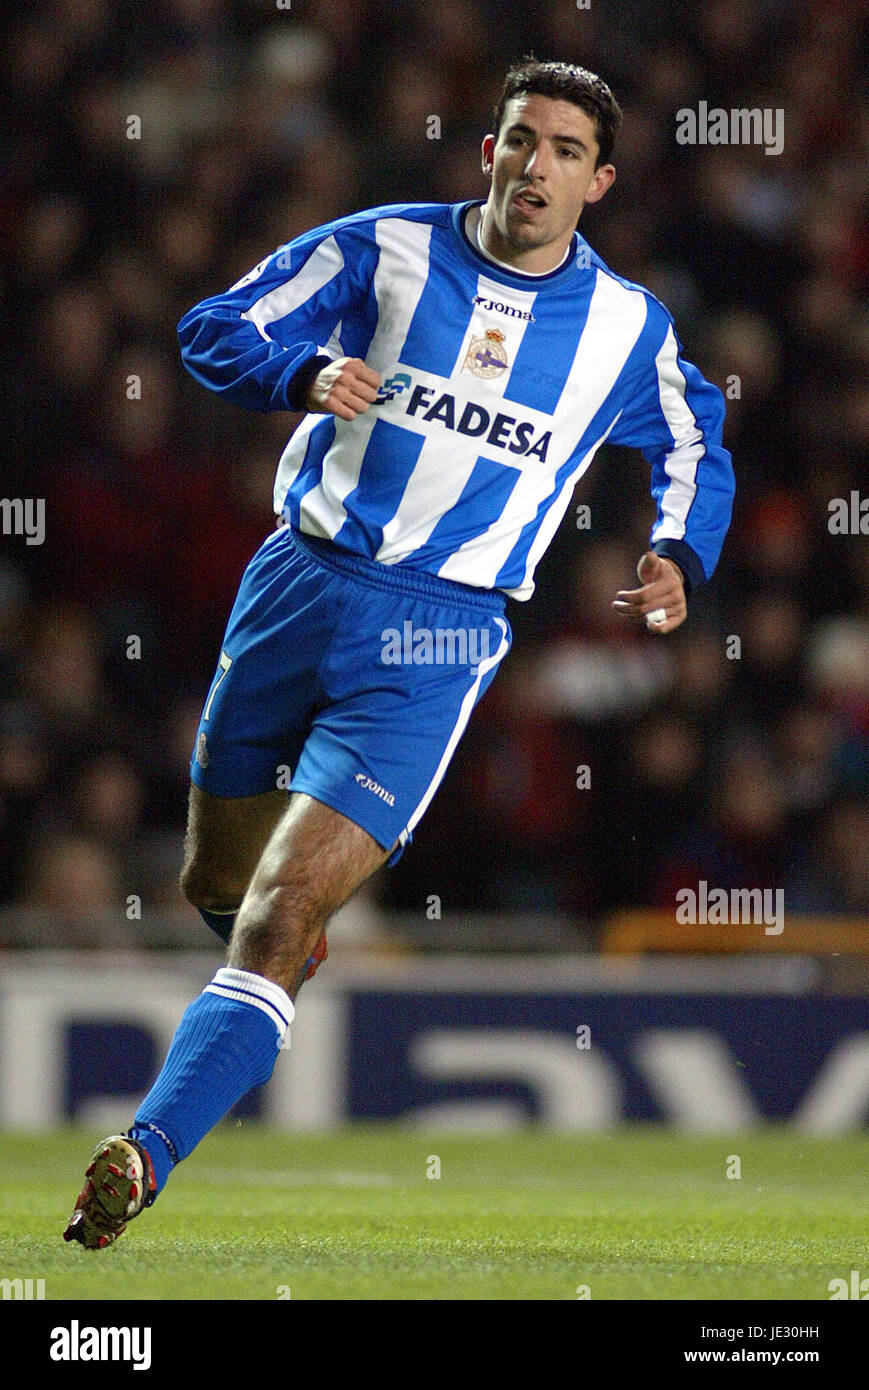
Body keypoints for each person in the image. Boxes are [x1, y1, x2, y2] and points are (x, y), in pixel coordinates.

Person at [63, 58, 734, 1248]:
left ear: (600, 181)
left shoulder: (626, 328)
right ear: (487, 150)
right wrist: (302, 372)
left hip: (437, 637)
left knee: (275, 910)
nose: (536, 166)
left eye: (565, 151)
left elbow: (692, 431)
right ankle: (276, 956)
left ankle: (143, 1150)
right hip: (295, 587)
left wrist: (681, 550)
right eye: (520, 139)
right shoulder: (381, 248)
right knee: (219, 890)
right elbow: (212, 327)